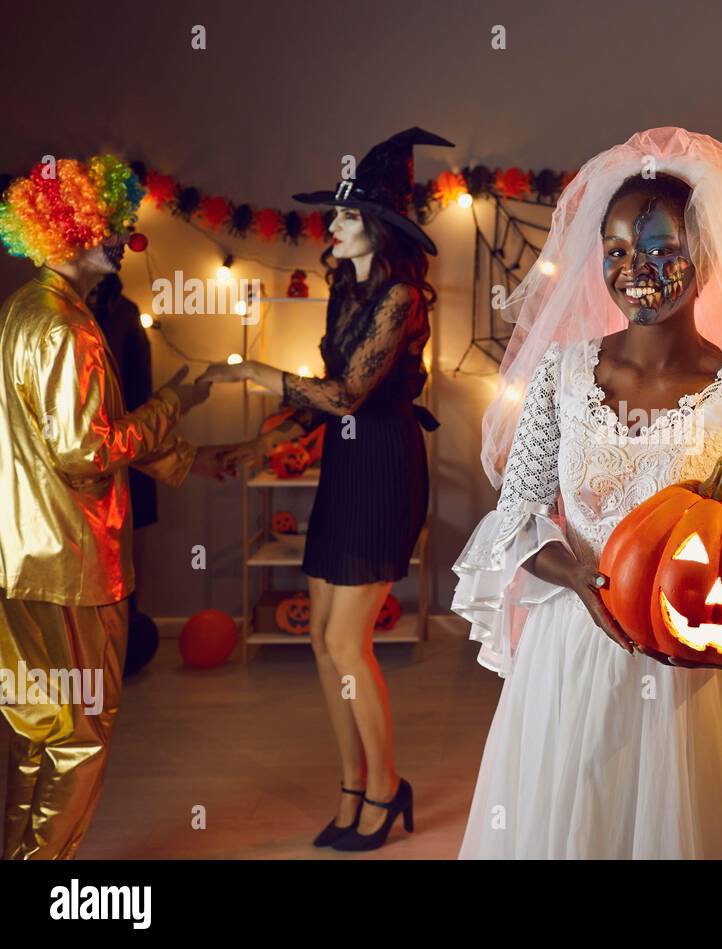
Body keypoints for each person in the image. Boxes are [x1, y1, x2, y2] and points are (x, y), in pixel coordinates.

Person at [452, 127, 722, 859]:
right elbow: (516, 513)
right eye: (617, 252)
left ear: (707, 262)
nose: (635, 269)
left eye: (661, 251)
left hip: (695, 668)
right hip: (575, 651)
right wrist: (576, 576)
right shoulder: (560, 376)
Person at [199, 128, 448, 851]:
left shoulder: (400, 296)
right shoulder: (345, 291)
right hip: (343, 465)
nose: (330, 227)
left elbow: (344, 396)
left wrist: (248, 368)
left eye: (343, 217)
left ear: (374, 226)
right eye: (332, 217)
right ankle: (349, 782)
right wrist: (255, 445)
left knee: (348, 637)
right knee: (318, 634)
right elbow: (317, 406)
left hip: (383, 465)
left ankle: (385, 785)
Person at [0, 155, 225, 859]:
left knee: (40, 729)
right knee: (80, 733)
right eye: (108, 226)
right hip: (70, 565)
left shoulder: (25, 310)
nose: (123, 237)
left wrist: (185, 456)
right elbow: (86, 451)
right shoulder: (67, 328)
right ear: (64, 230)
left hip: (21, 560)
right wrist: (175, 404)